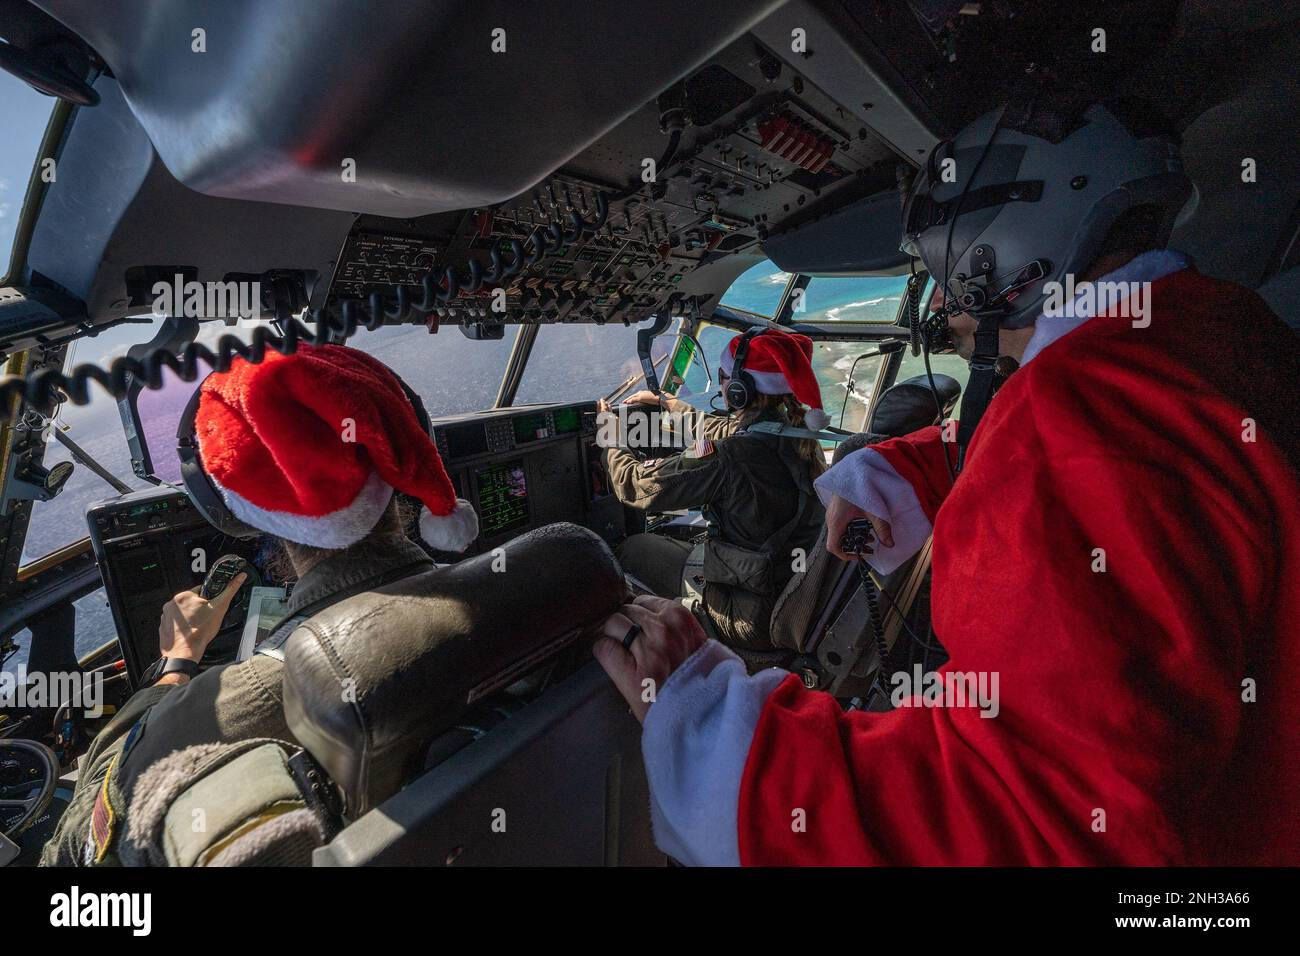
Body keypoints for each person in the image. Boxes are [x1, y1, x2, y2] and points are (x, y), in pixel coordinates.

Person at [593, 94, 1300, 865]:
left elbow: (1036, 824)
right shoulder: (1220, 333)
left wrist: (716, 737)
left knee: (627, 568)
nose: (942, 301)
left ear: (1004, 250)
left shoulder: (1081, 419)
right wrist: (910, 466)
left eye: (943, 263)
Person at [42, 344, 479, 866]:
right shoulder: (533, 588)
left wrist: (175, 667)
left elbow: (75, 848)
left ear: (232, 508)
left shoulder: (205, 719)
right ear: (408, 447)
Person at [601, 328, 829, 650]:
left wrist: (609, 438)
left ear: (739, 391)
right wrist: (669, 404)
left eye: (722, 376)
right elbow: (725, 429)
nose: (721, 383)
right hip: (791, 591)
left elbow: (635, 486)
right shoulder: (798, 432)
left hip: (747, 614)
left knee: (633, 548)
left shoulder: (732, 456)